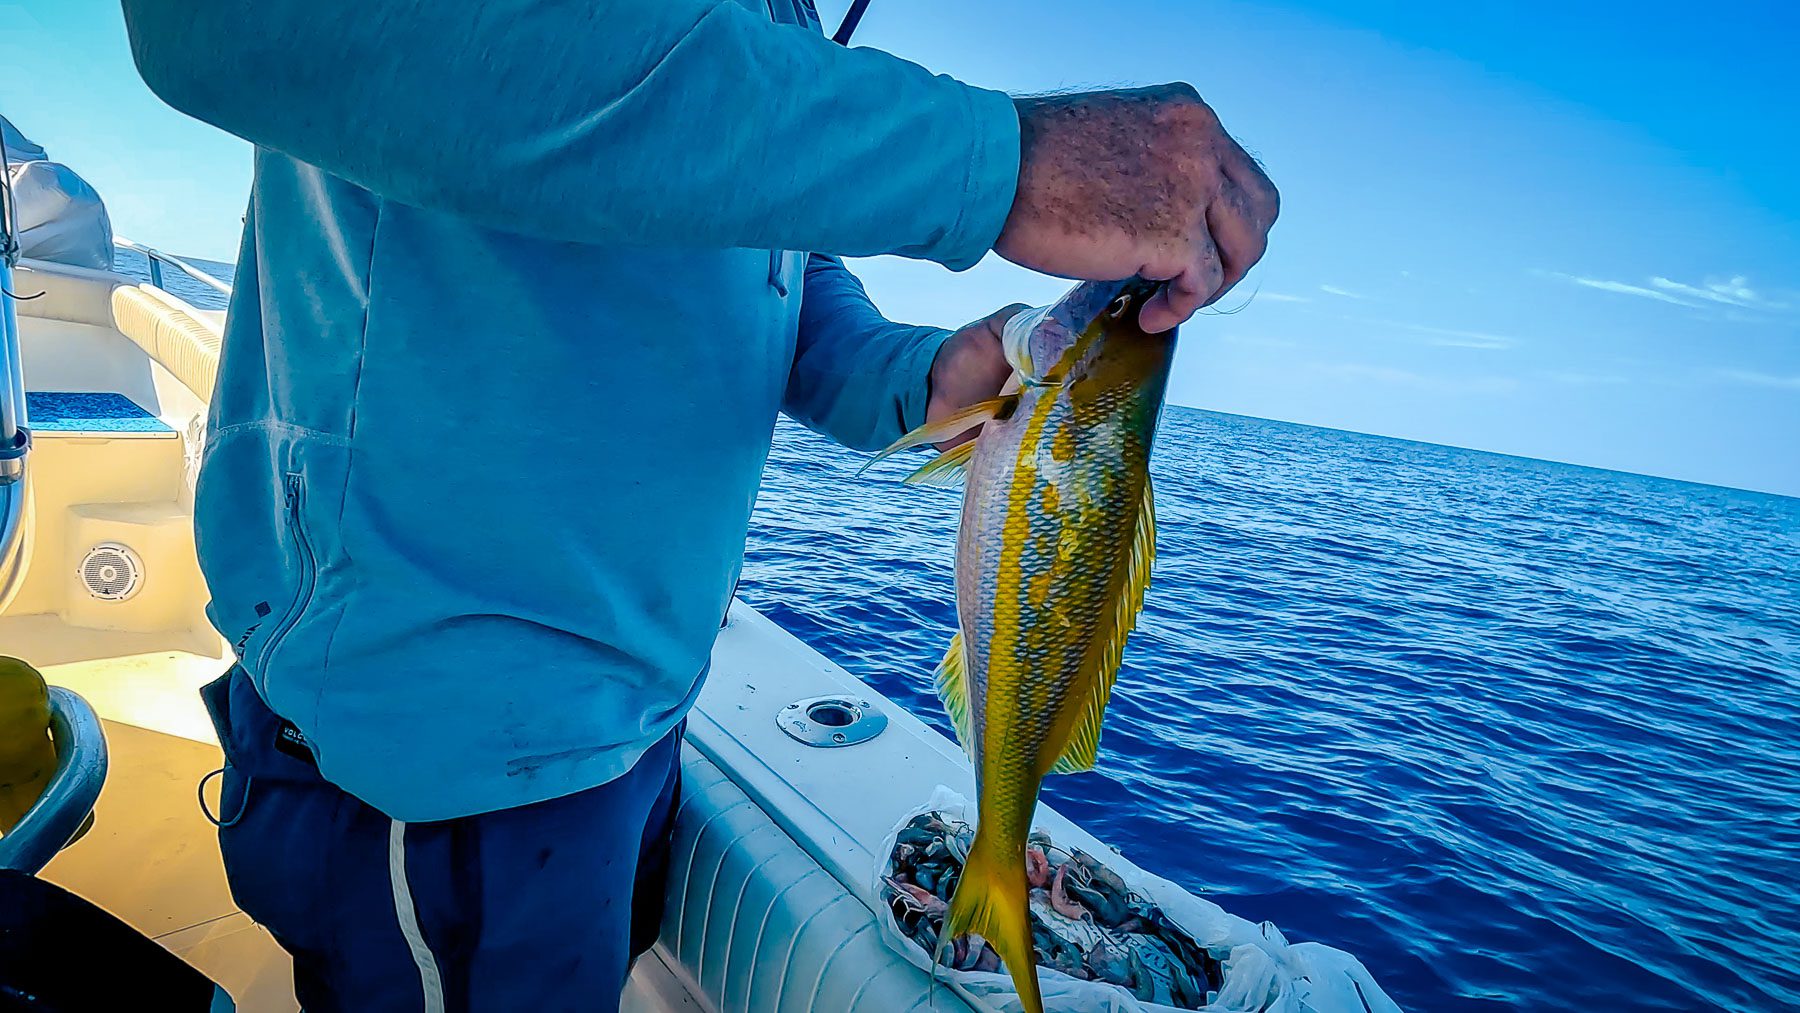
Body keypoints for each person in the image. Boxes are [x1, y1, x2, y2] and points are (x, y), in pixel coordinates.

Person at [119, 1, 1278, 1009]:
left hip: (636, 717)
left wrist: (916, 372)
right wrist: (997, 160)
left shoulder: (781, 18)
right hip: (447, 743)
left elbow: (772, 264)